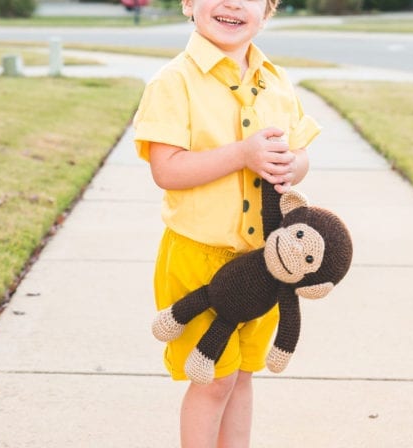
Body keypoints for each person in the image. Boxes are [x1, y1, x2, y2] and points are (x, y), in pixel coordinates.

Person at [133, 0, 320, 444]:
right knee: (213, 379)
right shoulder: (174, 82)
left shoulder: (275, 80)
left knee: (241, 375)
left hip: (262, 263)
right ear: (189, 3)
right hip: (200, 259)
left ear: (269, 9)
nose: (233, 3)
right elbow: (168, 170)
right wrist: (242, 154)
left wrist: (290, 166)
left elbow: (301, 154)